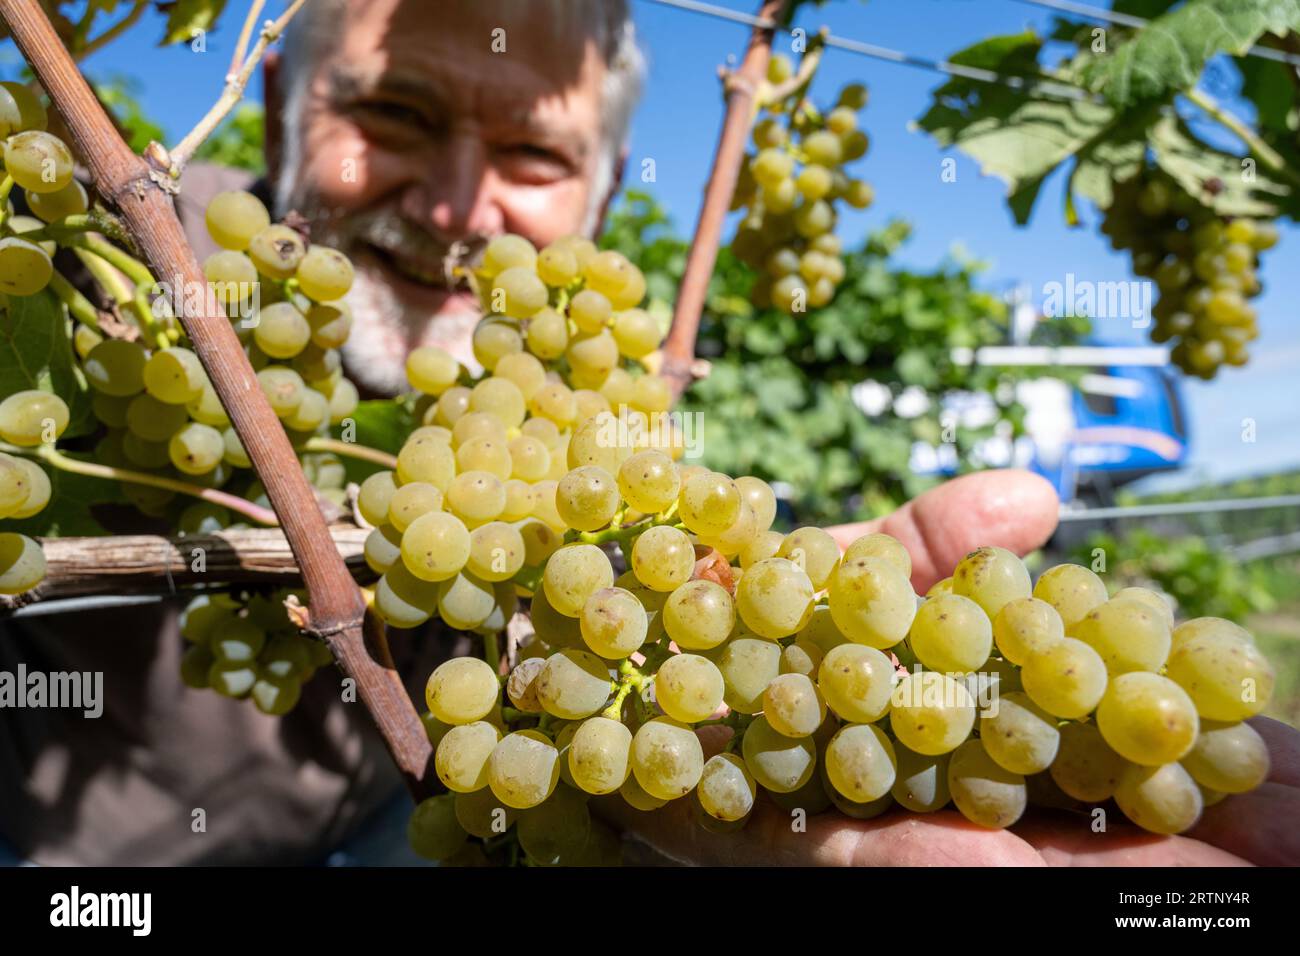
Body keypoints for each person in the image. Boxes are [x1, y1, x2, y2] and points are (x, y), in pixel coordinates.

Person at [0, 0, 1294, 867]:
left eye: (533, 155)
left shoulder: (591, 379)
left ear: (611, 186)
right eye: (391, 116)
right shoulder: (121, 288)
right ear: (276, 91)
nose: (457, 208)